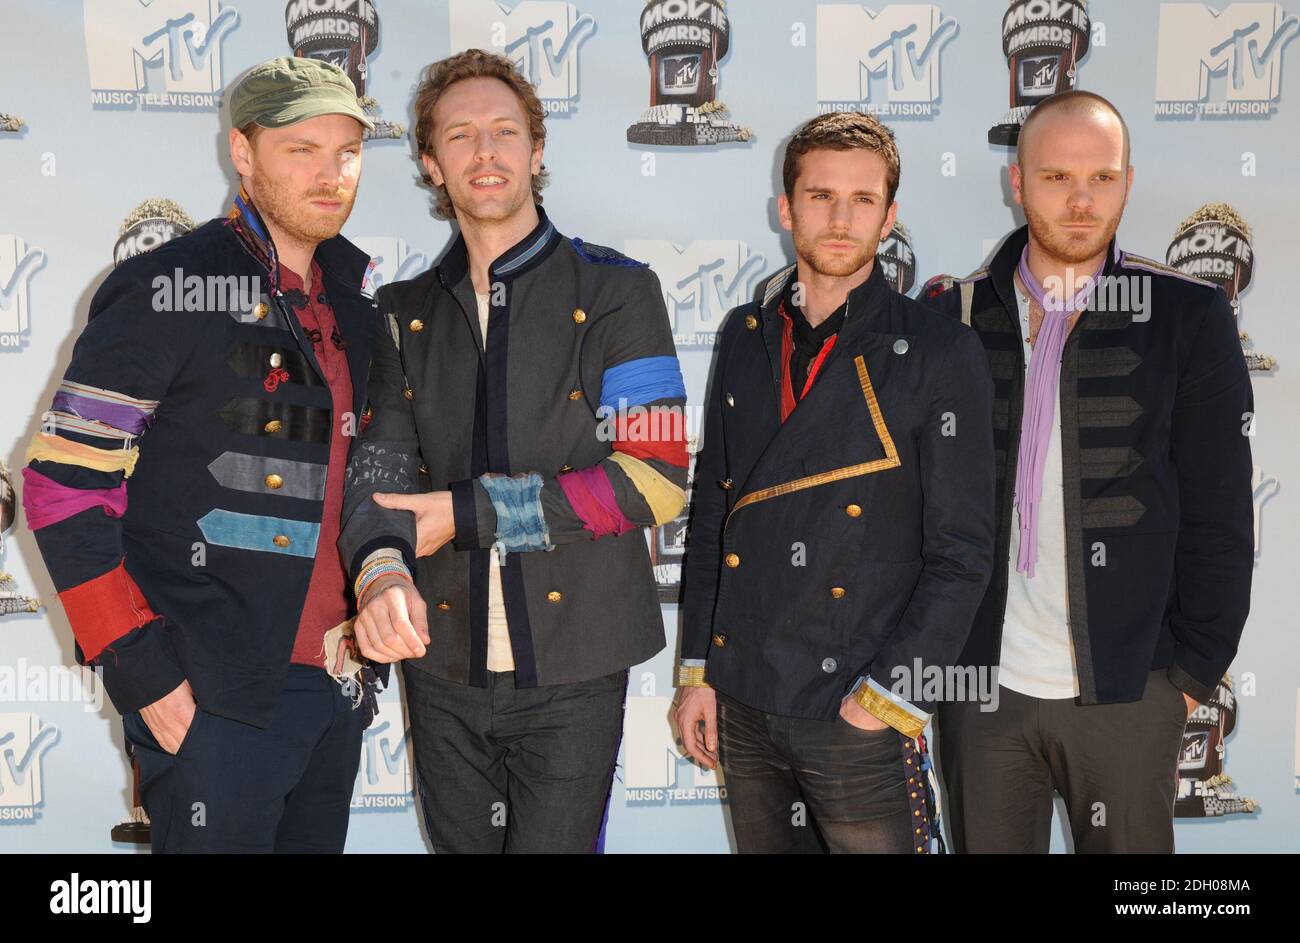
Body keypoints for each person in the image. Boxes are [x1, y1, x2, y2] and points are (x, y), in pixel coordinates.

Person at [22, 57, 379, 853]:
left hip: (333, 695)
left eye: (347, 150)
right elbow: (60, 486)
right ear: (242, 154)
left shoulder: (355, 301)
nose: (330, 174)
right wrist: (144, 674)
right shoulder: (168, 284)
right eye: (301, 149)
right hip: (213, 702)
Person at [338, 49, 689, 853]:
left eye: (504, 131)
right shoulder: (399, 311)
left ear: (537, 149)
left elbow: (656, 482)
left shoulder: (620, 291)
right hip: (441, 668)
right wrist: (384, 568)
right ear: (431, 162)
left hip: (577, 666)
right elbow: (380, 470)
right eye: (459, 136)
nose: (485, 152)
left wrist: (467, 513)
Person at [923, 90, 1254, 853]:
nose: (1080, 201)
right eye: (1056, 178)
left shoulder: (1184, 315)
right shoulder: (953, 317)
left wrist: (1190, 674)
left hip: (1133, 687)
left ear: (1128, 182)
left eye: (1101, 178)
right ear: (1017, 182)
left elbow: (1221, 514)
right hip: (982, 686)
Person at [674, 112, 996, 853]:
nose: (841, 218)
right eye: (820, 196)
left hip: (857, 703)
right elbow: (715, 514)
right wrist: (699, 669)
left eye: (862, 199)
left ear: (890, 215)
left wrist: (885, 700)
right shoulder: (743, 336)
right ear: (786, 210)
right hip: (746, 697)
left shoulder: (940, 351)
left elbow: (964, 551)